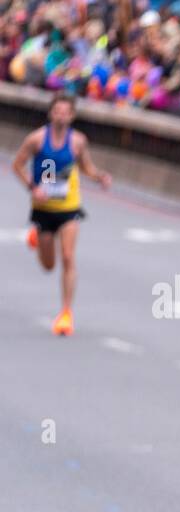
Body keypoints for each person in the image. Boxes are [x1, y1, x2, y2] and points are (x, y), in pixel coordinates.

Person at [10, 92, 110, 337]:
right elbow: (17, 165)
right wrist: (33, 188)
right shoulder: (36, 140)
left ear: (72, 115)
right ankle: (37, 236)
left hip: (69, 208)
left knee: (67, 257)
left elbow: (85, 166)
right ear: (50, 113)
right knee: (48, 265)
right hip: (43, 209)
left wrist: (99, 177)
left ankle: (66, 313)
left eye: (66, 112)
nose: (61, 116)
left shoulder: (78, 141)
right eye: (58, 111)